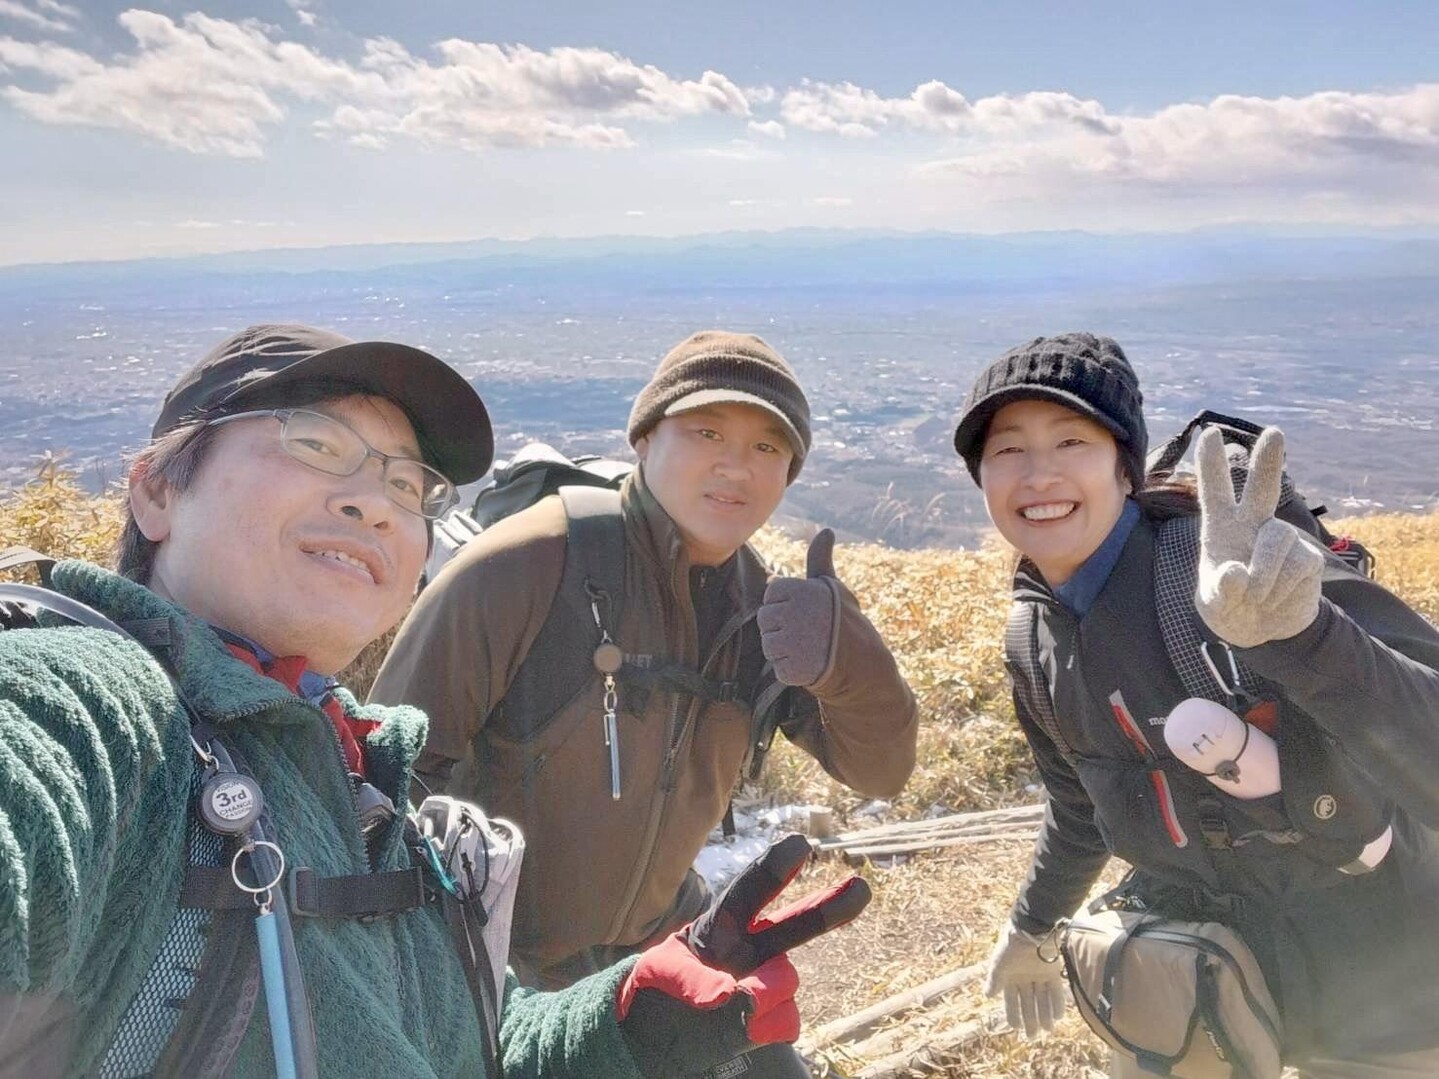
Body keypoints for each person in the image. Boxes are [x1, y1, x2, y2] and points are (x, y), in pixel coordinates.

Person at [0, 324, 858, 1079]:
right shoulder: (98, 712)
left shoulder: (358, 779)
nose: (373, 501)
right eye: (314, 444)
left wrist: (628, 1016)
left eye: (409, 485)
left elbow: (464, 1040)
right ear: (155, 490)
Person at [370, 329, 919, 989]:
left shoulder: (763, 614)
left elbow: (881, 772)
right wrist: (437, 960)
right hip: (492, 964)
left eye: (766, 446)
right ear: (645, 439)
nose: (735, 466)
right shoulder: (529, 565)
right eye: (706, 433)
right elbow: (381, 779)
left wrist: (848, 665)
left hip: (654, 951)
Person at [955, 333, 1439, 1078]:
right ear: (981, 477)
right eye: (1006, 449)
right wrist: (1031, 925)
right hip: (1198, 966)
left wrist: (1304, 637)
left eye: (1071, 439)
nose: (1038, 472)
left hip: (1378, 967)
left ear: (1124, 465)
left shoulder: (1229, 564)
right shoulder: (1035, 633)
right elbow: (1080, 803)